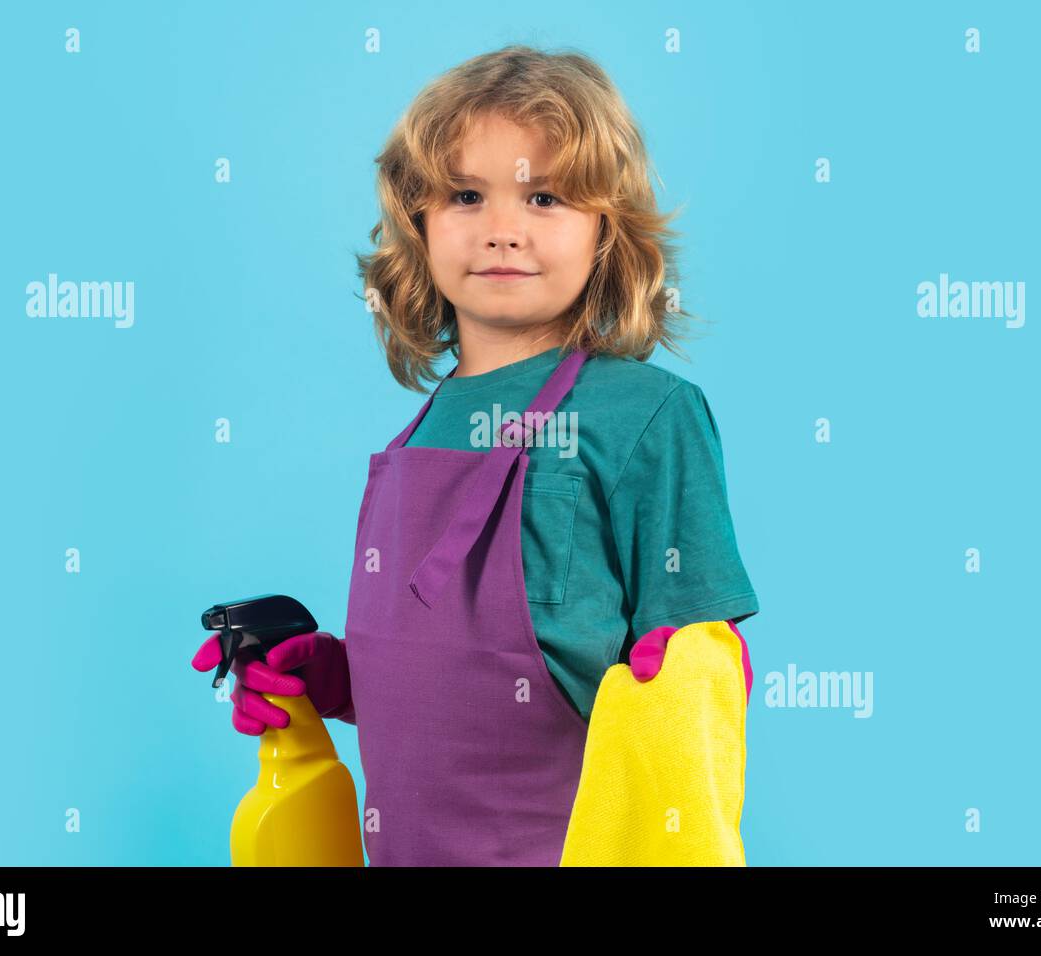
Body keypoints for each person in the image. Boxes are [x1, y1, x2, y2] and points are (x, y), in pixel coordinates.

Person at [192, 44, 760, 866]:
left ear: (607, 229)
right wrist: (334, 682)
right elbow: (451, 683)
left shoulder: (647, 415)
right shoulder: (420, 428)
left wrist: (689, 667)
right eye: (465, 194)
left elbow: (702, 696)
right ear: (418, 225)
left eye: (544, 196)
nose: (502, 230)